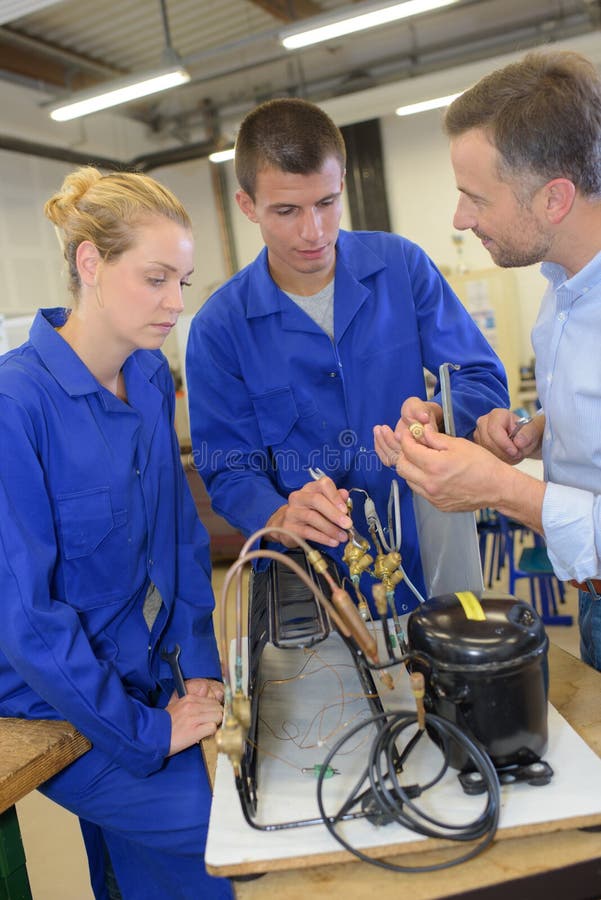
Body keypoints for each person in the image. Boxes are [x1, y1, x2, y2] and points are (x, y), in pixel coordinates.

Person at [0, 167, 232, 900]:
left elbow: (177, 536)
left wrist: (199, 661)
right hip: (60, 703)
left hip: (154, 671)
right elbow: (27, 622)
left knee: (149, 876)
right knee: (228, 834)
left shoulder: (149, 374)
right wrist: (144, 732)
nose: (174, 303)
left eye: (184, 282)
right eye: (156, 277)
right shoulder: (16, 405)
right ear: (90, 264)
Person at [186, 97, 509, 614]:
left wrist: (440, 413)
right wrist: (277, 513)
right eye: (287, 211)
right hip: (310, 579)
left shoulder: (401, 267)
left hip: (425, 549)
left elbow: (479, 374)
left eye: (327, 202)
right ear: (247, 206)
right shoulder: (219, 329)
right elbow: (227, 466)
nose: (313, 231)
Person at [374, 50, 601, 668]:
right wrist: (535, 434)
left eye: (476, 197)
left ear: (554, 198)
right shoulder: (565, 289)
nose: (459, 218)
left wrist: (501, 490)